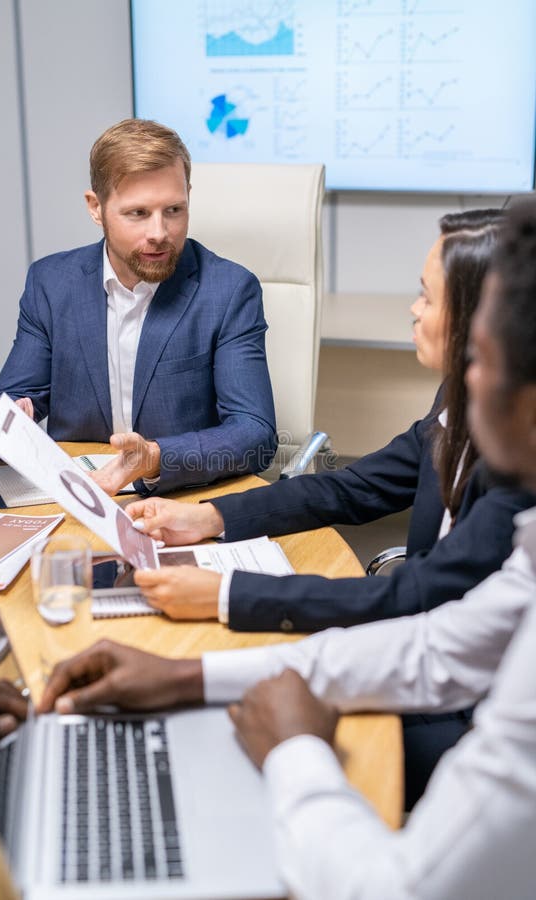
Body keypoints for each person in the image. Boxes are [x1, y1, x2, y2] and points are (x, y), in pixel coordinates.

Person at [39, 198, 536, 899]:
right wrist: (209, 532)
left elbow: (402, 886)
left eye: (480, 355)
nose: (466, 377)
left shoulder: (518, 495)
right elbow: (439, 635)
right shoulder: (470, 430)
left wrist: (293, 746)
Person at [121, 210, 533, 632]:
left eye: (428, 297)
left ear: (482, 322)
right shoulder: (454, 400)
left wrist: (223, 594)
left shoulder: (516, 465)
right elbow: (354, 487)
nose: (414, 309)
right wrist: (208, 517)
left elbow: (418, 595)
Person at [0, 118, 276, 494]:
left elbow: (255, 434)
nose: (160, 233)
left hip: (180, 498)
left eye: (174, 210)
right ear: (96, 207)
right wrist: (2, 422)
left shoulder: (228, 291)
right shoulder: (51, 283)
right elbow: (17, 401)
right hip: (73, 500)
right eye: (138, 213)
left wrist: (158, 457)